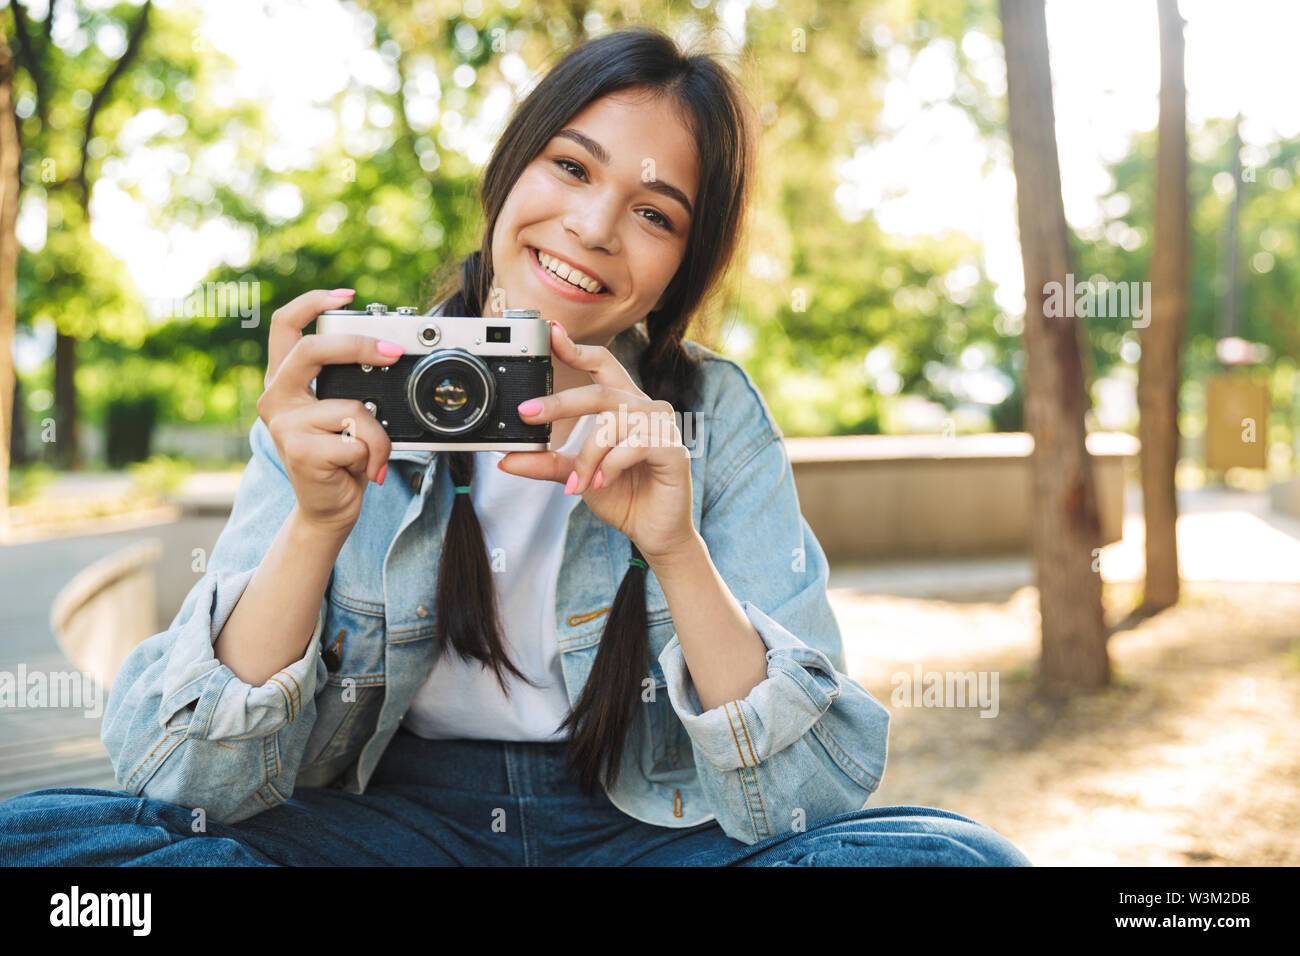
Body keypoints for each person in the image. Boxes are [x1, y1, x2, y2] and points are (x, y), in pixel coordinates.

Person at [0, 27, 1029, 867]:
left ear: (682, 263)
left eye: (653, 212)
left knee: (947, 863)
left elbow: (801, 802)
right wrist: (316, 525)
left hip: (644, 824)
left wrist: (675, 547)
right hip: (391, 819)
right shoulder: (356, 376)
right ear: (509, 170)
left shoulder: (710, 413)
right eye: (570, 166)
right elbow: (186, 780)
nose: (591, 225)